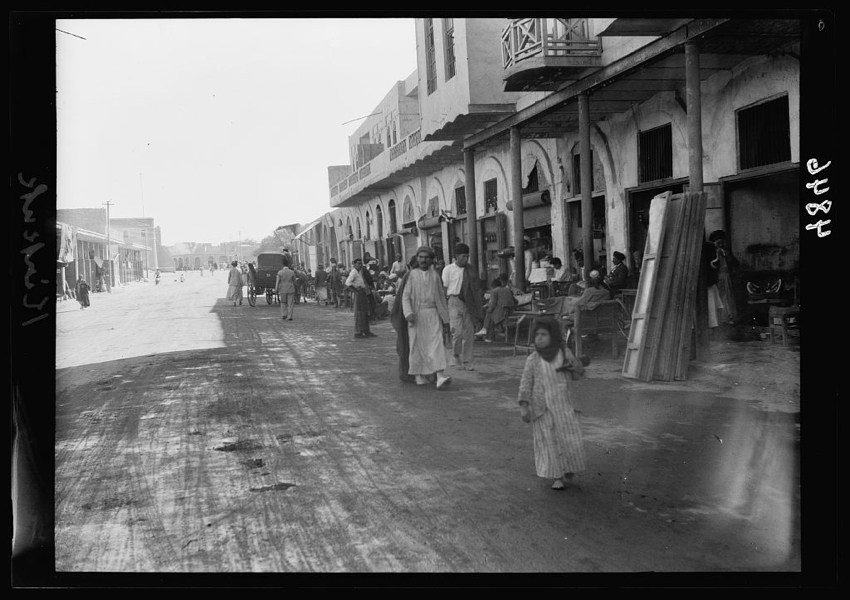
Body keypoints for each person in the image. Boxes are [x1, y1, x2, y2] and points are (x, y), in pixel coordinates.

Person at [518, 317, 588, 491]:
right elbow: (525, 383)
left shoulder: (563, 353)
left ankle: (569, 468)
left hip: (565, 407)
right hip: (544, 409)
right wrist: (524, 406)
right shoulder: (532, 360)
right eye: (537, 335)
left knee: (569, 440)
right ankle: (557, 476)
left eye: (544, 334)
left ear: (554, 336)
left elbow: (578, 374)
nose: (539, 338)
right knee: (550, 441)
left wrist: (576, 367)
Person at [402, 246, 452, 389]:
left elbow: (441, 298)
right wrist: (408, 313)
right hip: (416, 316)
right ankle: (419, 375)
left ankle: (439, 376)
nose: (424, 260)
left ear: (431, 260)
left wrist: (446, 318)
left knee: (436, 345)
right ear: (417, 258)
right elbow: (405, 297)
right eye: (421, 257)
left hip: (433, 314)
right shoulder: (412, 275)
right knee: (417, 346)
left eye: (427, 257)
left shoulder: (435, 275)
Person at [441, 243, 483, 370]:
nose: (466, 259)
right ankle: (456, 355)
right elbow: (444, 289)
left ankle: (467, 361)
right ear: (456, 256)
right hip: (453, 301)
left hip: (468, 303)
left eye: (467, 256)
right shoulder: (448, 269)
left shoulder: (471, 270)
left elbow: (476, 289)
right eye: (464, 256)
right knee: (457, 332)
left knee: (469, 333)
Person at [390, 257, 420, 383]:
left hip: (415, 315)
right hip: (407, 317)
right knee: (407, 345)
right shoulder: (410, 277)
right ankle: (408, 373)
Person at [476, 277, 516, 342]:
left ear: (493, 286)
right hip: (510, 312)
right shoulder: (508, 290)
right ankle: (485, 330)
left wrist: (487, 309)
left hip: (502, 313)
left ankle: (487, 334)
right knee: (490, 314)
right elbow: (515, 301)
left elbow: (493, 304)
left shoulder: (494, 291)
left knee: (489, 315)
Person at [346, 258, 375, 338]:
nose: (360, 265)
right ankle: (358, 332)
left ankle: (366, 331)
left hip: (363, 292)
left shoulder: (360, 272)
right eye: (358, 264)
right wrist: (355, 291)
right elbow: (348, 283)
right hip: (359, 294)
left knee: (365, 312)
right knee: (359, 313)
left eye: (360, 264)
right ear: (354, 264)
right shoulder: (353, 272)